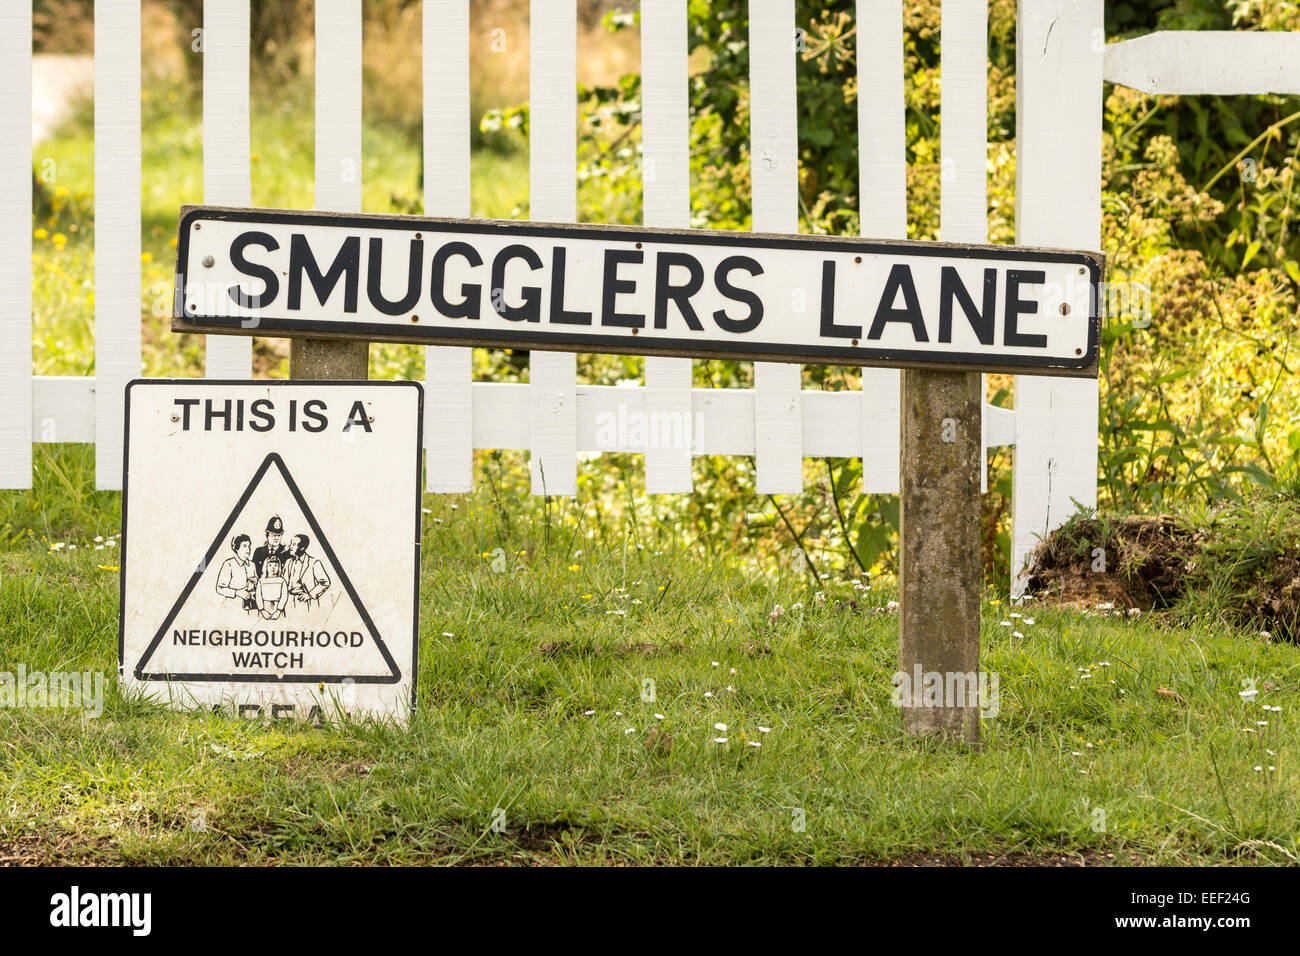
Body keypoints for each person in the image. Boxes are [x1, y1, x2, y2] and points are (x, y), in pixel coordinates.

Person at [285, 534, 331, 608]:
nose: (290, 547)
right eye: (291, 543)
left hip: (305, 603)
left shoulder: (314, 562)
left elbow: (325, 582)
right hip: (288, 603)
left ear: (302, 548)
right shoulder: (288, 562)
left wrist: (309, 595)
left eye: (294, 544)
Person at [214, 534, 257, 610]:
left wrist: (256, 582)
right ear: (236, 548)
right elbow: (220, 588)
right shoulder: (229, 564)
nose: (248, 549)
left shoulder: (252, 565)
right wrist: (237, 592)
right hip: (233, 609)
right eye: (244, 546)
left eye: (249, 546)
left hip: (251, 608)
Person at [255, 555, 290, 621]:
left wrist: (279, 610)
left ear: (279, 567)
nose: (273, 568)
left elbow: (284, 596)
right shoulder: (261, 580)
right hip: (265, 609)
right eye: (270, 565)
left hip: (278, 609)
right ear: (266, 567)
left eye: (275, 565)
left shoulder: (282, 580)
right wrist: (262, 610)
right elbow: (258, 596)